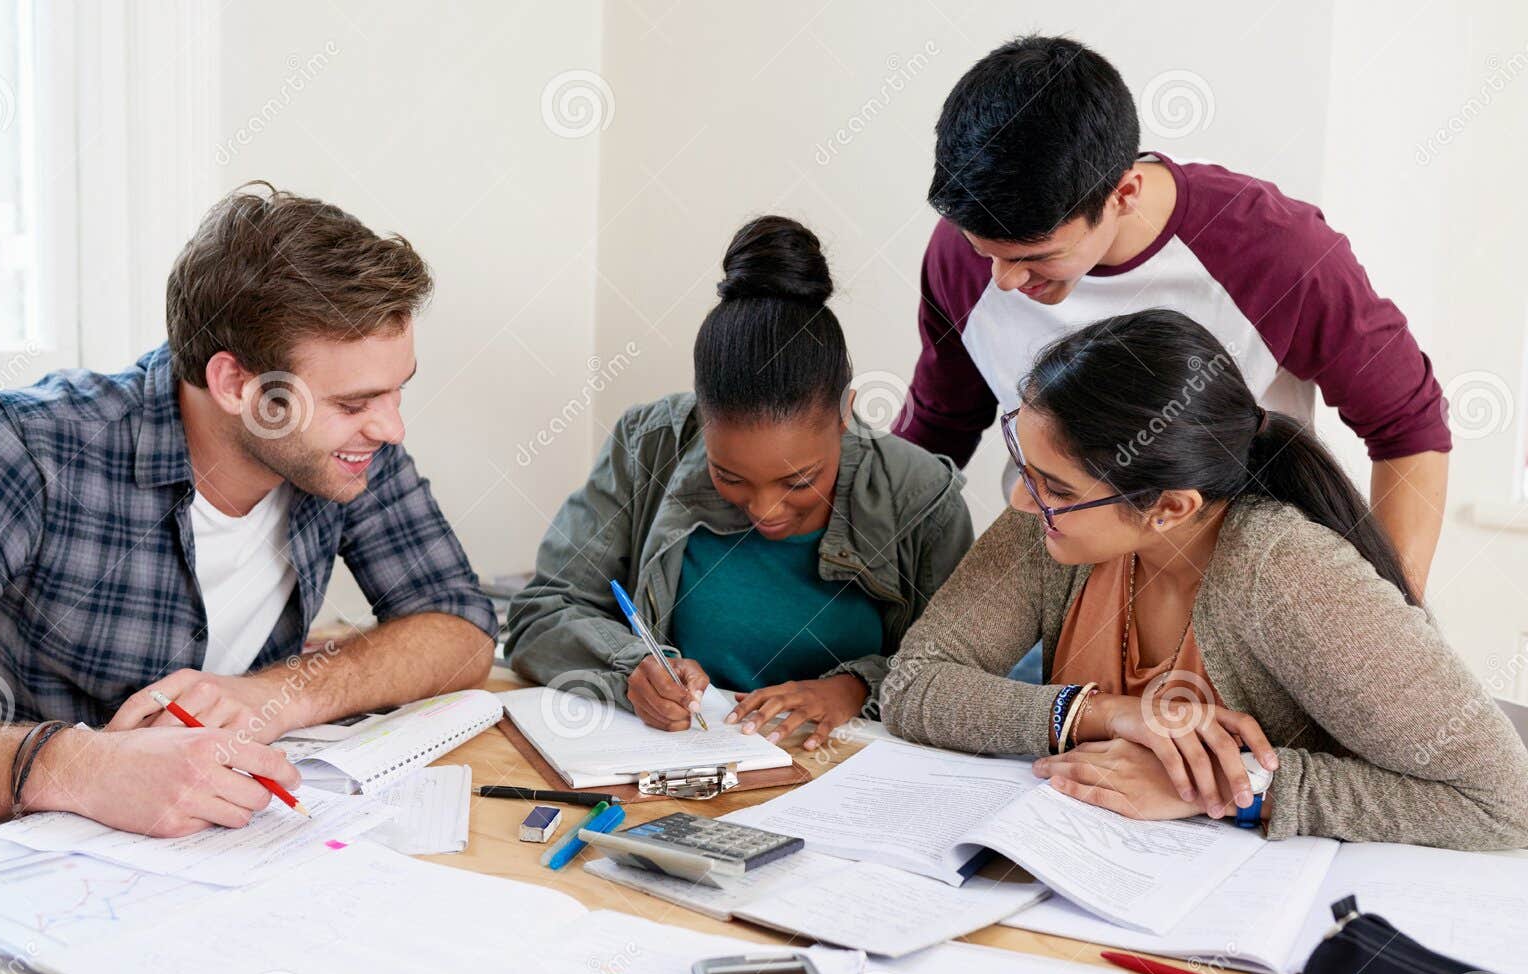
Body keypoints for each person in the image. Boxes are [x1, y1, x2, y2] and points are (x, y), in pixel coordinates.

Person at [0, 185, 497, 836]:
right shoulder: (22, 450)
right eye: (353, 403)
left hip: (240, 862)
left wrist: (278, 695)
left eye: (398, 391)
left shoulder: (347, 451)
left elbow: (460, 624)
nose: (391, 427)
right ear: (234, 385)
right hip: (26, 872)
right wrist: (81, 768)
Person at [881, 309, 1528, 851]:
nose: (1022, 500)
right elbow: (917, 684)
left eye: (1053, 487)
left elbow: (1505, 801)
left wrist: (1223, 791)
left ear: (1170, 508)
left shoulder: (1289, 574)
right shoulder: (1053, 527)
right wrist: (1107, 715)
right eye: (1025, 463)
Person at [896, 34, 1451, 599]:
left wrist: (1394, 612)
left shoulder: (1275, 251)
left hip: (1239, 591)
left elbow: (1407, 426)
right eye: (986, 251)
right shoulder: (961, 256)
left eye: (1034, 257)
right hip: (1057, 587)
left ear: (1124, 192)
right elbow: (939, 427)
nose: (1004, 280)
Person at [508, 216, 972, 749]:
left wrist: (850, 689)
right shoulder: (649, 444)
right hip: (681, 763)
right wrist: (632, 668)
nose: (766, 509)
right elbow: (540, 614)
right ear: (702, 418)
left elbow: (960, 674)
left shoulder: (921, 498)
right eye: (728, 476)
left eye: (799, 481)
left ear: (846, 413)